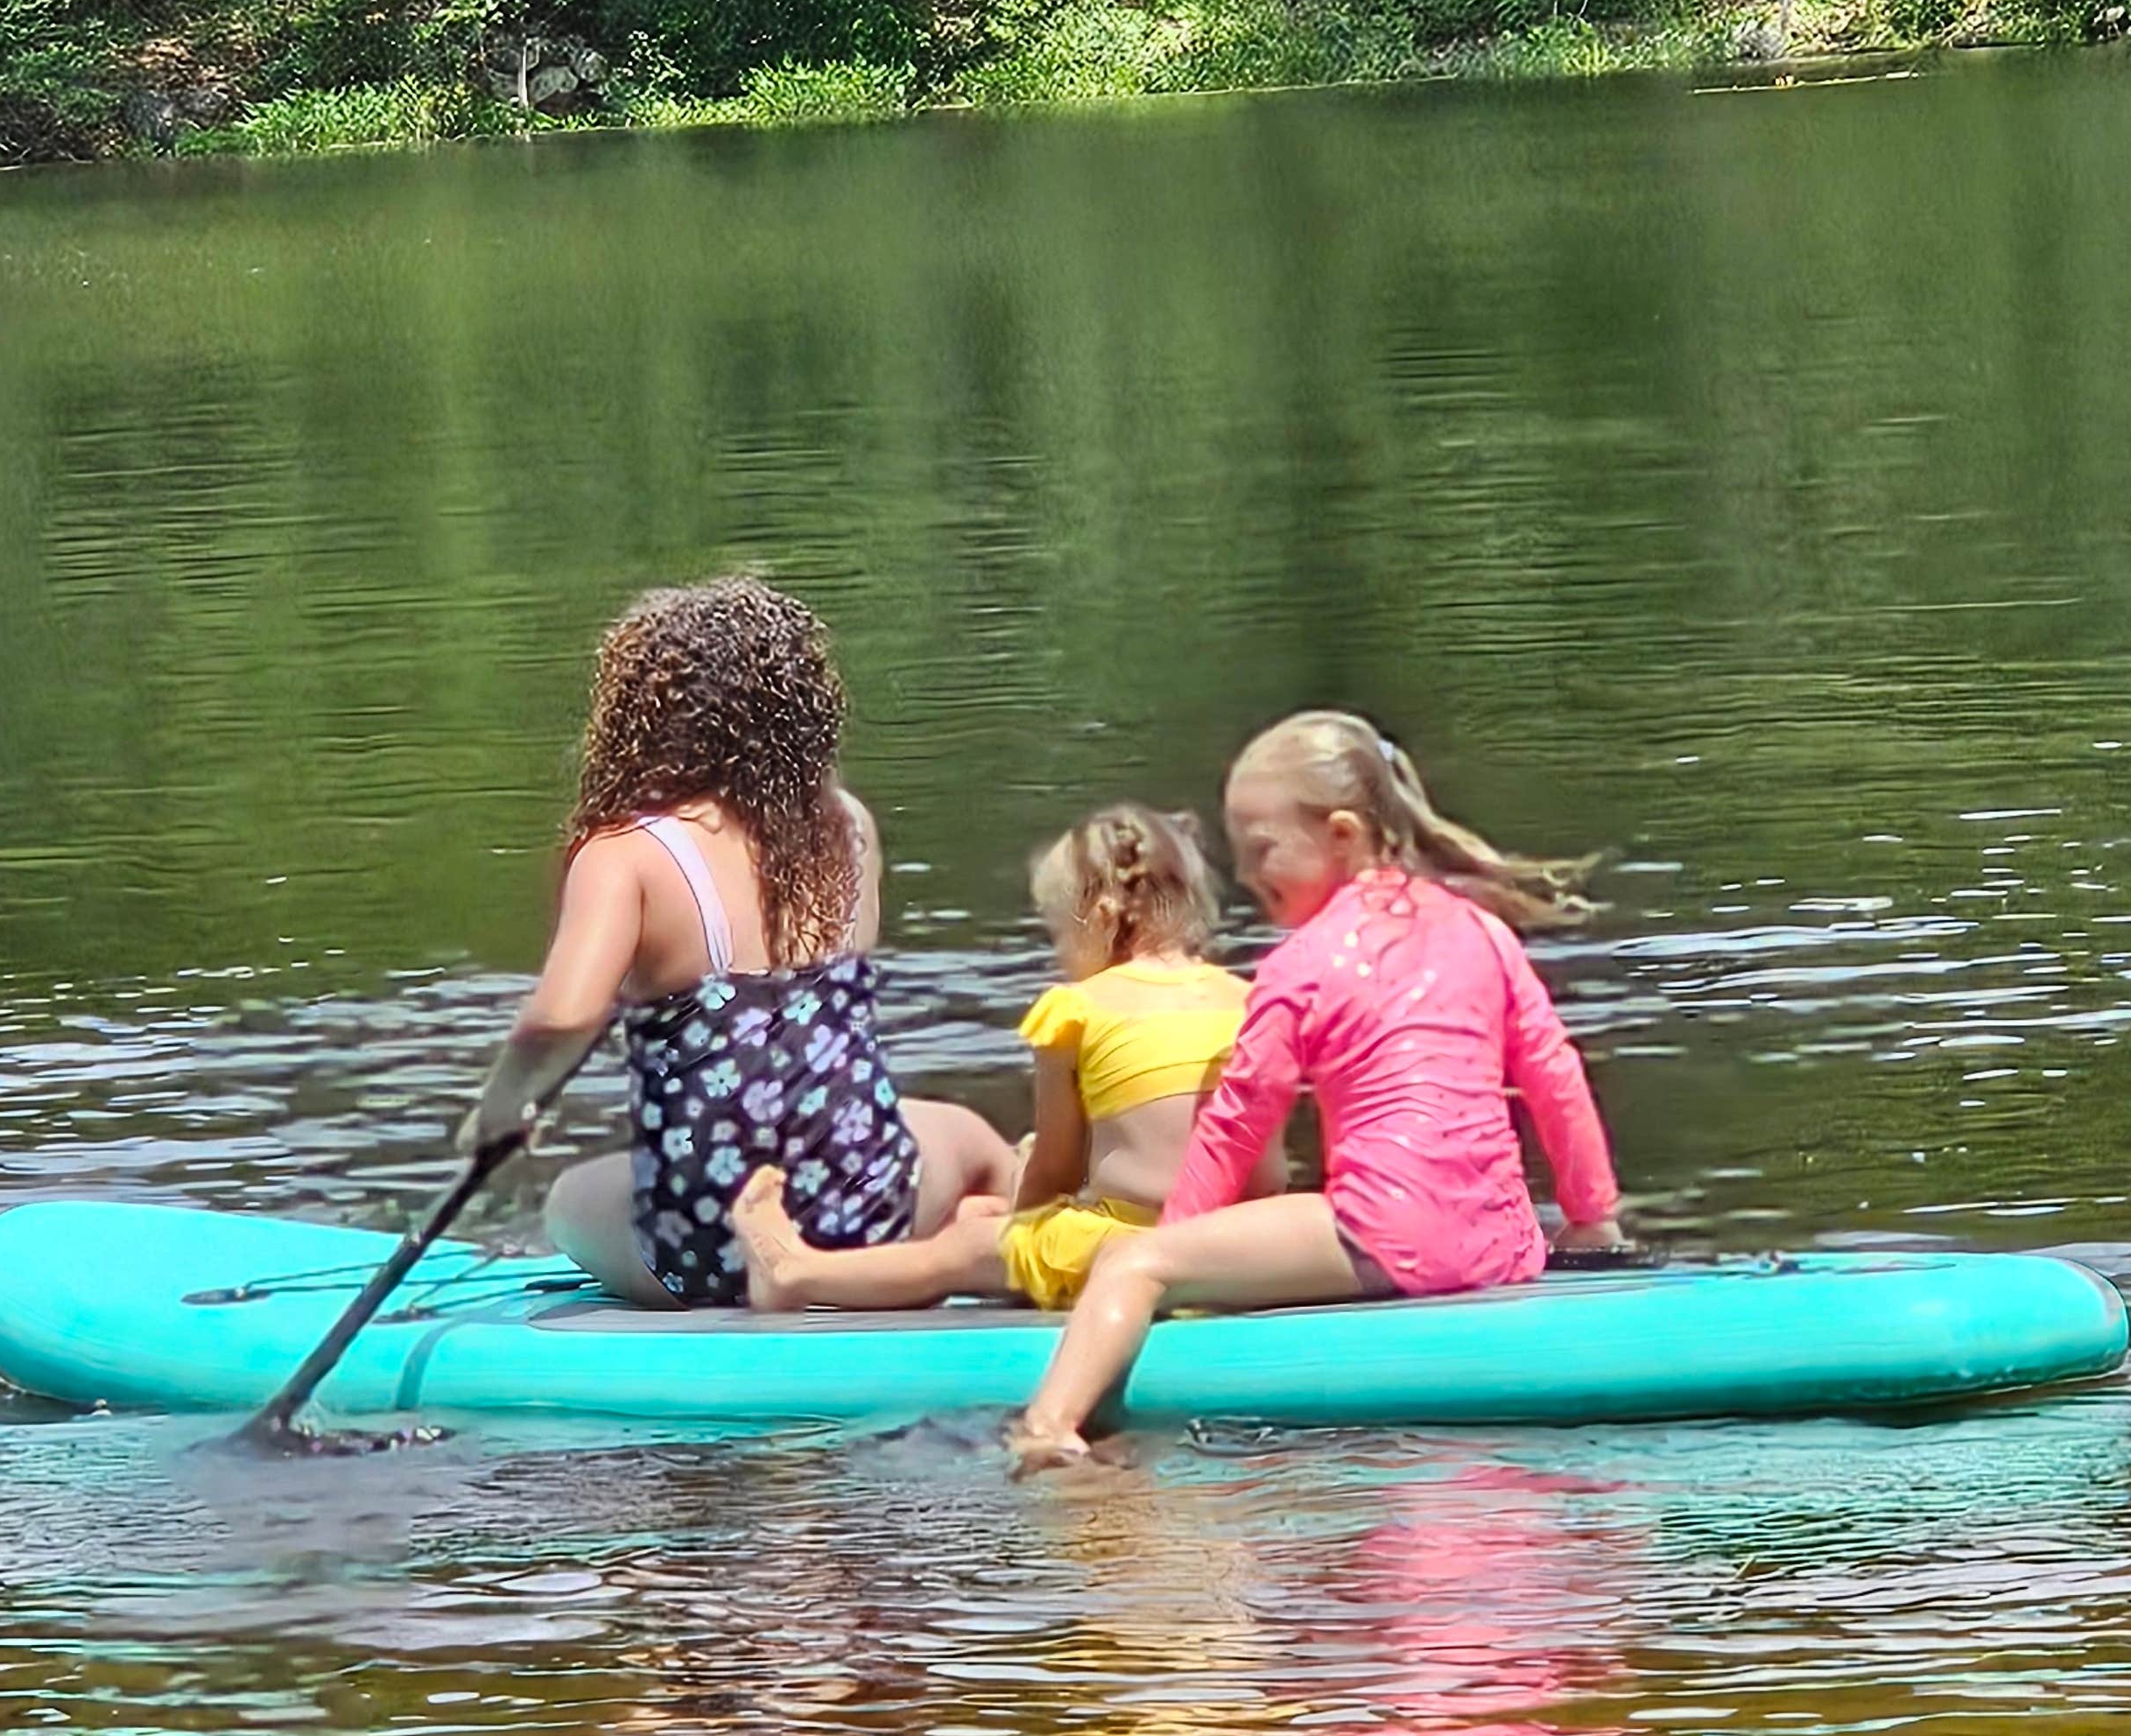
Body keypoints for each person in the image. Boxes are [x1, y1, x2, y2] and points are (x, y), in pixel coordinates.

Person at [1009, 710, 1622, 1463]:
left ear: (1340, 834)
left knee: (1129, 1263)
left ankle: (1047, 1428)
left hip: (1389, 1235)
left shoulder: (1300, 966)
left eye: (1260, 849)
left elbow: (1236, 1123)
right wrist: (1591, 1218)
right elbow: (1554, 1074)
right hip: (1505, 1242)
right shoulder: (1482, 931)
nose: (1244, 875)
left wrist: (1178, 1251)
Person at [465, 576, 1014, 1307]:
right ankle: (1011, 1242)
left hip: (708, 1243)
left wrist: (503, 1107)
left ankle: (791, 1267)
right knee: (968, 1136)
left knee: (567, 1202)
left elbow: (563, 1018)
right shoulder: (848, 827)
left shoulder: (626, 854)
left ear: (642, 720)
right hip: (870, 1211)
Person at [730, 804, 1248, 1312]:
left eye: (1059, 934)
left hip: (1134, 1247)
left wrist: (1015, 1232)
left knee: (960, 1250)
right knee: (993, 1216)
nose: (1059, 955)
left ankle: (793, 1272)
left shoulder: (1075, 1010)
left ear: (1101, 920)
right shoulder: (1244, 998)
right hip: (1234, 1242)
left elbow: (1055, 1170)